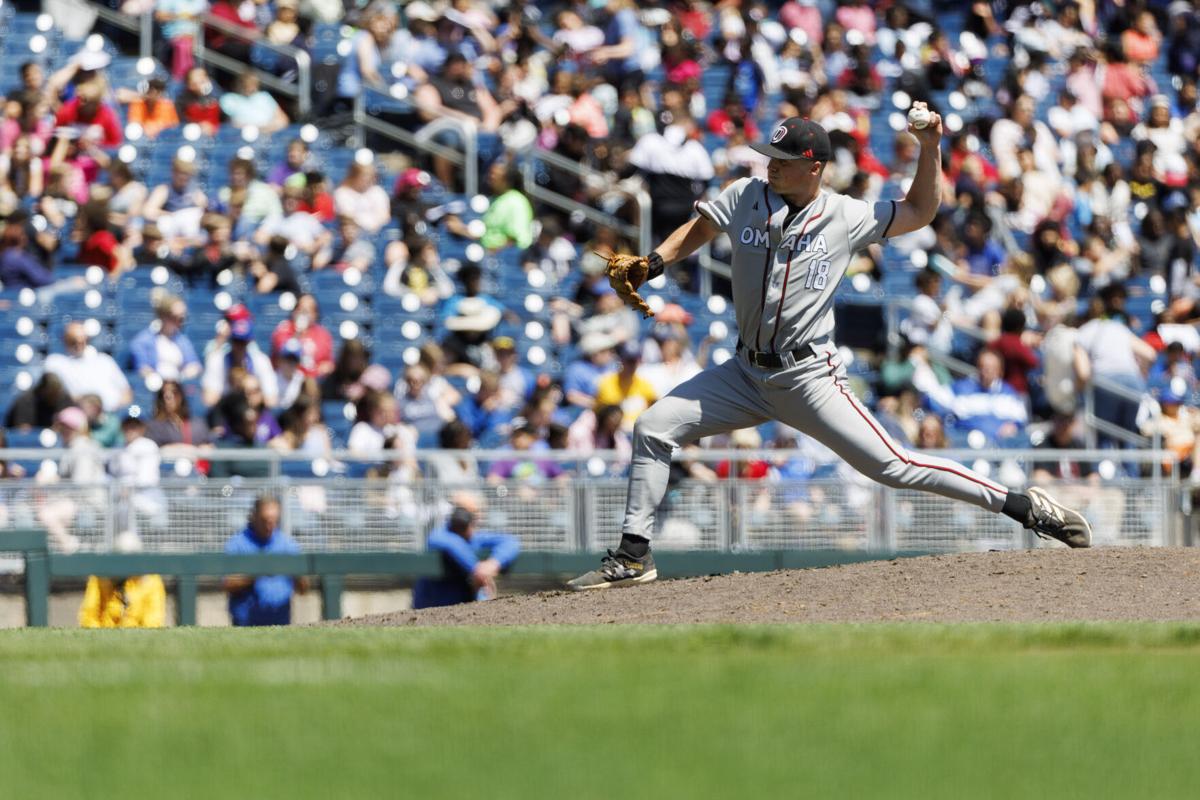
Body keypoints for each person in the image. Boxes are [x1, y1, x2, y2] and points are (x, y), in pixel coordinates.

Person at [569, 110, 1093, 591]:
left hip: (808, 378)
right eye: (770, 157)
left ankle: (1023, 506)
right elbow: (703, 225)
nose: (771, 167)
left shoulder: (844, 215)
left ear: (814, 167)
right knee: (653, 427)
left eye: (784, 161)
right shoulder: (745, 194)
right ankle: (635, 555)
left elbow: (919, 209)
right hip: (744, 374)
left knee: (895, 465)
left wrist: (930, 147)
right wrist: (656, 262)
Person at [412, 496, 521, 609]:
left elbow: (510, 542)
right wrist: (477, 569)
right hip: (432, 605)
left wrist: (493, 563)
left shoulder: (475, 537)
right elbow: (449, 543)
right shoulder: (441, 535)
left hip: (463, 607)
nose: (478, 516)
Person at [222, 495, 307, 626]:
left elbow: (303, 590)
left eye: (274, 521)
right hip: (246, 623)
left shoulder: (287, 544)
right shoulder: (237, 543)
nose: (269, 526)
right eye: (265, 520)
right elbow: (228, 584)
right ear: (254, 516)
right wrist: (258, 572)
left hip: (281, 622)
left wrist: (296, 575)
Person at [78, 531, 167, 628]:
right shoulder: (100, 578)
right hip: (104, 634)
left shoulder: (151, 580)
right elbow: (88, 616)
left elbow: (153, 621)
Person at [44, 322, 133, 413]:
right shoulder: (57, 363)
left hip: (111, 414)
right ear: (65, 340)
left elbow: (126, 392)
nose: (78, 345)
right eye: (73, 341)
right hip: (81, 415)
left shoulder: (105, 360)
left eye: (82, 341)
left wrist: (117, 409)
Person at [129, 293, 202, 382]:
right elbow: (142, 368)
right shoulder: (144, 340)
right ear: (163, 316)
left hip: (178, 386)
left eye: (182, 318)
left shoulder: (183, 341)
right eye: (175, 317)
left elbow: (194, 364)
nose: (179, 321)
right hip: (155, 388)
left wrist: (186, 374)